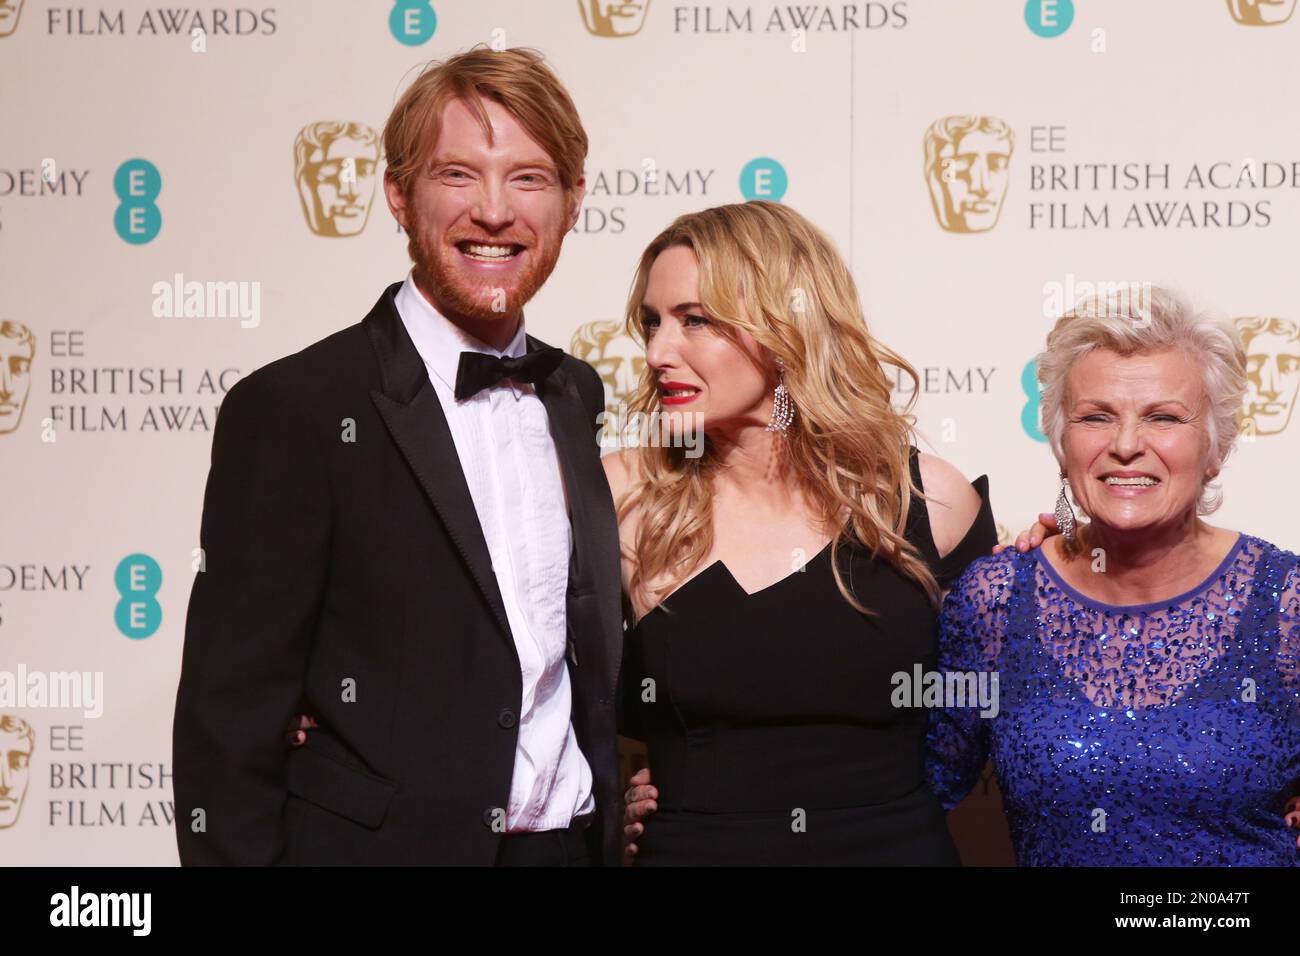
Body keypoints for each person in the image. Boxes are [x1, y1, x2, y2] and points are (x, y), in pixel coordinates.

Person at [172, 46, 625, 866]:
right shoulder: (297, 409)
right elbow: (228, 716)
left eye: (529, 178)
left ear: (573, 202)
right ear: (397, 194)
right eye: (458, 175)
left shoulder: (575, 394)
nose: (494, 211)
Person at [604, 200, 999, 864]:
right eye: (652, 322)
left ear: (786, 326)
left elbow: (1001, 708)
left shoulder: (928, 498)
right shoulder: (623, 497)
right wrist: (587, 812)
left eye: (694, 320)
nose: (656, 352)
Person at [923, 288, 1300, 865]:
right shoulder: (996, 599)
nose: (1126, 445)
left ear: (1216, 447)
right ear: (1061, 443)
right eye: (1096, 417)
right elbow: (914, 796)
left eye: (1164, 417)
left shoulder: (1285, 602)